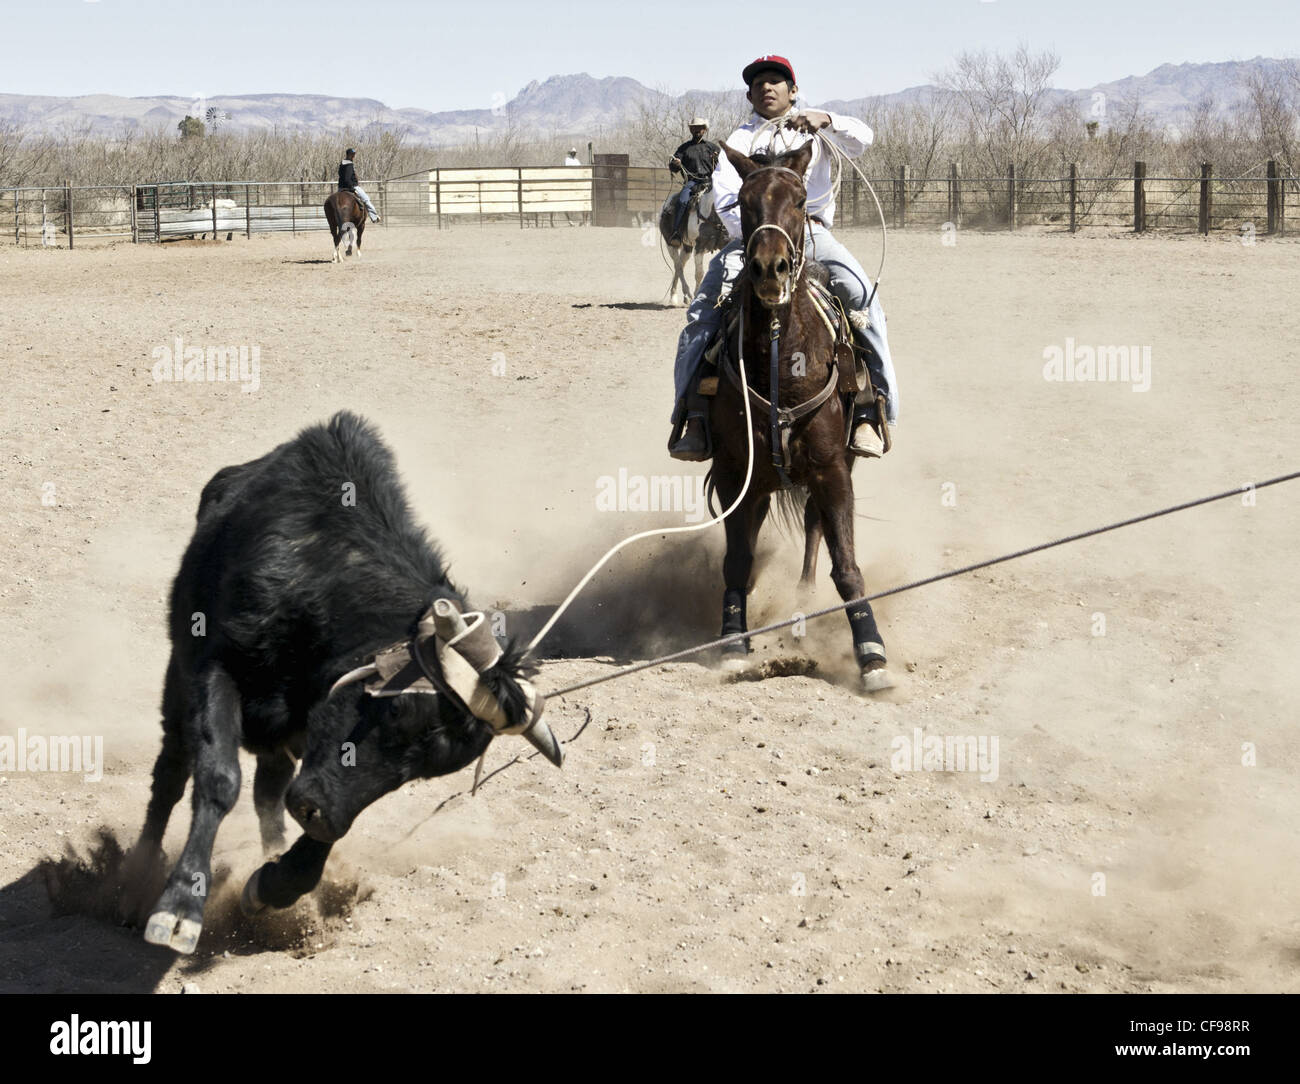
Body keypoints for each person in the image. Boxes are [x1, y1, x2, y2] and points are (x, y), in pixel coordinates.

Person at [668, 55, 898, 461]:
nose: (766, 88)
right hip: (754, 241)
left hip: (812, 235)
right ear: (749, 95)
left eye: (776, 81)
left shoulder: (819, 130)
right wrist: (760, 235)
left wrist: (825, 118)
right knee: (702, 310)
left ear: (792, 90)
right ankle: (694, 416)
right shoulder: (739, 141)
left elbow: (865, 139)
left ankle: (871, 412)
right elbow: (724, 198)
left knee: (863, 299)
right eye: (758, 84)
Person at [667, 118, 720, 246]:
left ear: (705, 130)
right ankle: (676, 233)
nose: (697, 130)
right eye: (694, 128)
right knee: (682, 200)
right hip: (692, 183)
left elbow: (723, 167)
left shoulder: (713, 148)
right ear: (691, 129)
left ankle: (726, 232)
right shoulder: (684, 148)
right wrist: (676, 164)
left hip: (711, 182)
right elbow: (673, 167)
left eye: (700, 127)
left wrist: (717, 158)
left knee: (725, 199)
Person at [338, 148, 380, 223]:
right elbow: (347, 178)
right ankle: (374, 217)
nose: (353, 156)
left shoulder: (342, 164)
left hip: (341, 188)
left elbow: (340, 175)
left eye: (354, 155)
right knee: (366, 199)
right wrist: (352, 188)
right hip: (351, 186)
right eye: (352, 155)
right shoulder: (349, 164)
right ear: (348, 155)